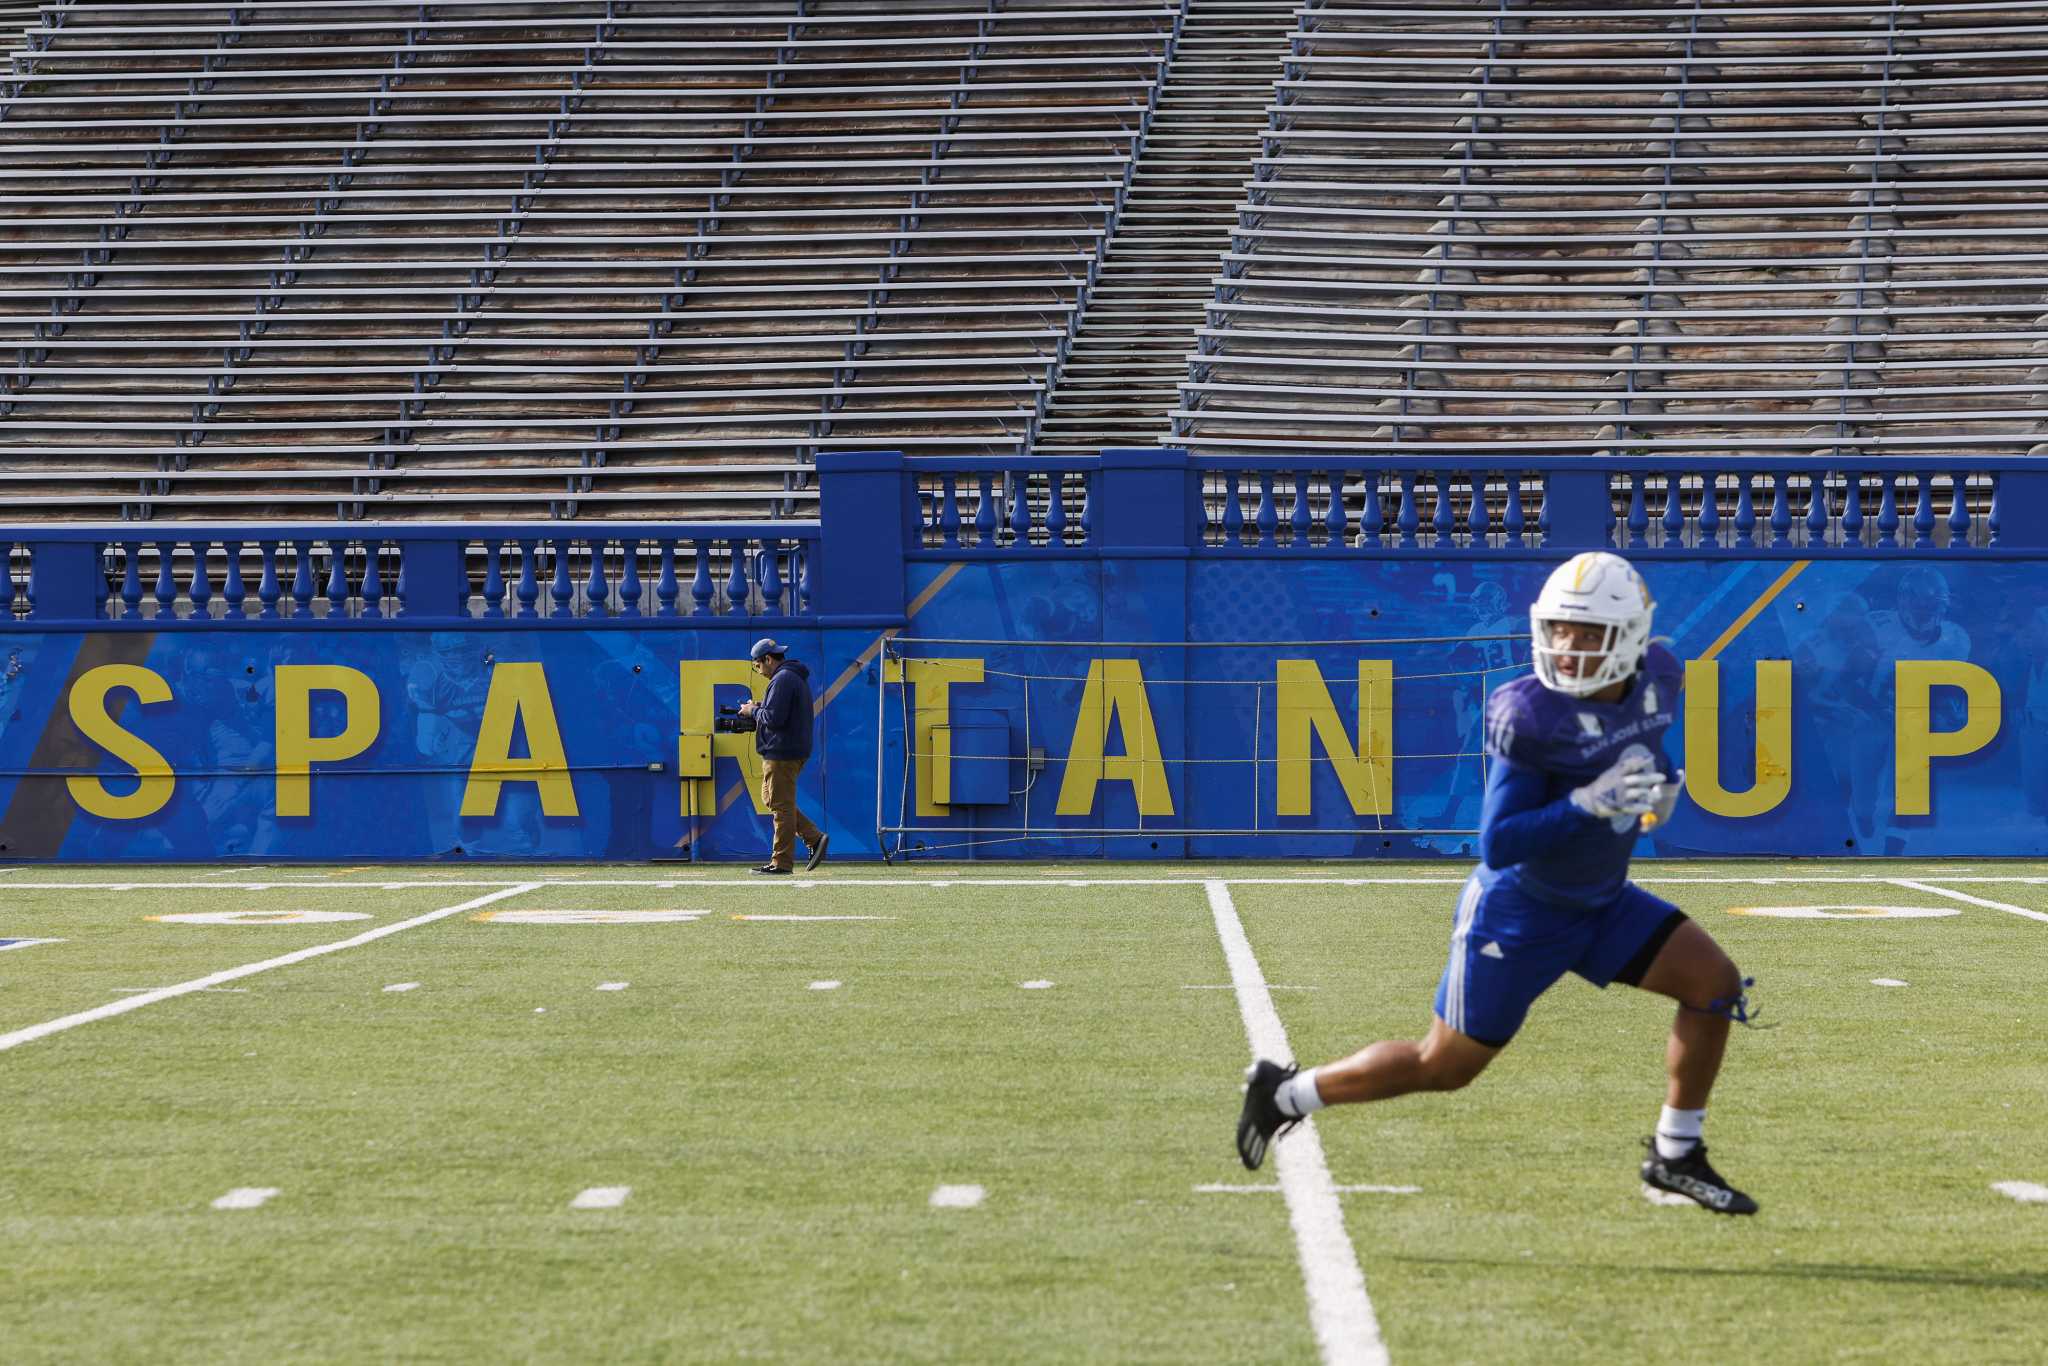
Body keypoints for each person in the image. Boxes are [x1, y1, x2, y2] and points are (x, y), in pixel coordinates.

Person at [1235, 551, 1760, 1215]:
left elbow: (1649, 746)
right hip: (1520, 913)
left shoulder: (1659, 675)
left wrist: (1662, 788)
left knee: (1713, 984)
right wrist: (1587, 803)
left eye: (1587, 632)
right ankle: (1284, 1094)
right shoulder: (1526, 711)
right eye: (1560, 629)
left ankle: (1675, 1153)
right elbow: (1499, 842)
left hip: (1601, 902)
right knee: (1444, 1066)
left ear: (1628, 637)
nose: (1568, 647)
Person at [737, 637, 827, 875]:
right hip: (789, 749)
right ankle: (814, 838)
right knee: (773, 800)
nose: (758, 670)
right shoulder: (790, 677)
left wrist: (752, 710)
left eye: (757, 665)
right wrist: (761, 706)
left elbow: (774, 719)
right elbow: (779, 713)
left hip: (781, 751)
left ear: (767, 659)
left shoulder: (783, 679)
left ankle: (781, 862)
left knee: (781, 807)